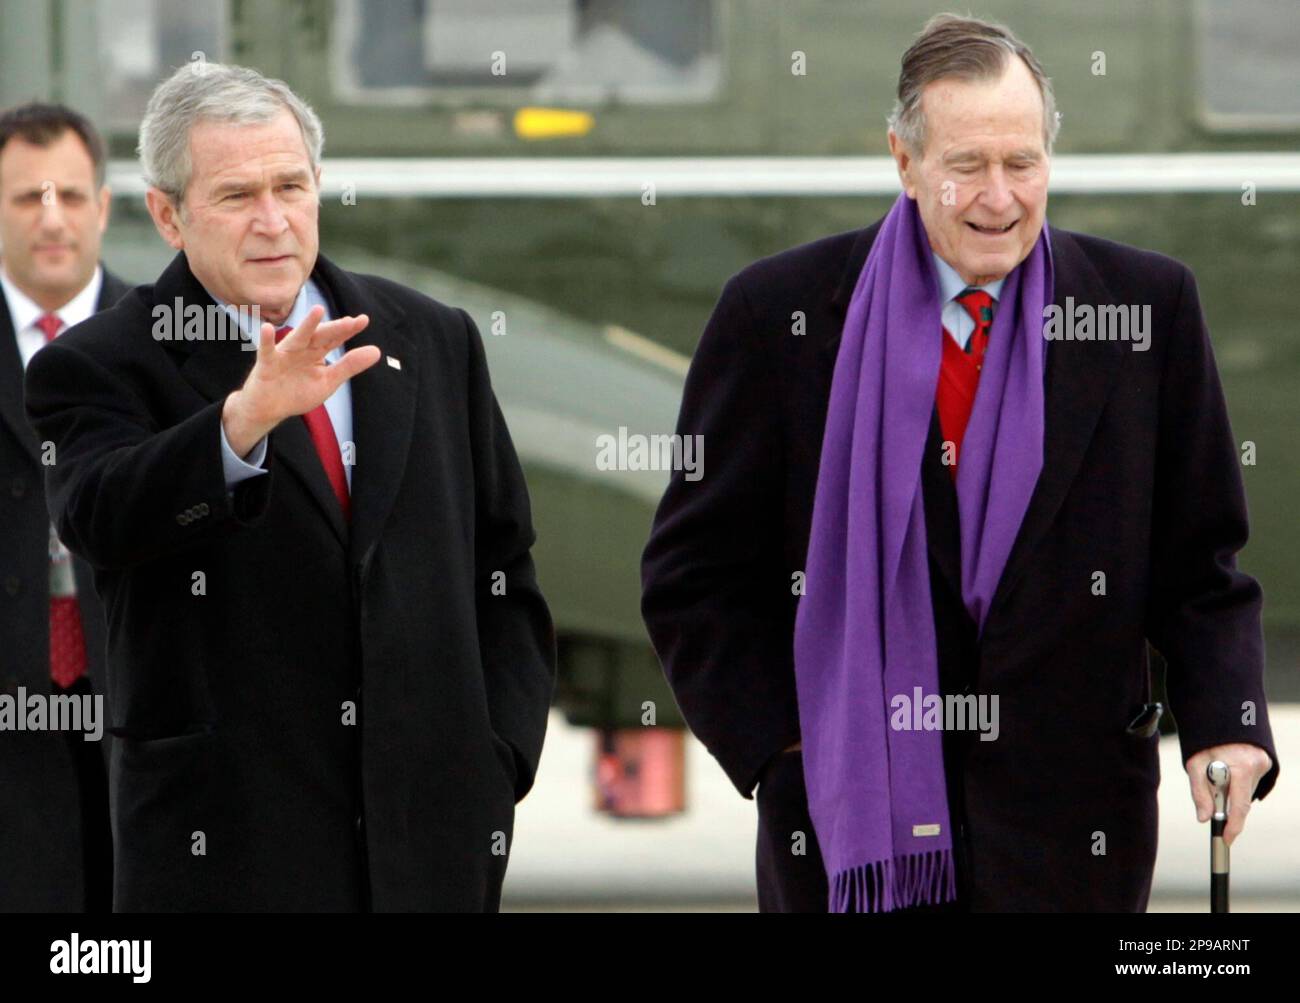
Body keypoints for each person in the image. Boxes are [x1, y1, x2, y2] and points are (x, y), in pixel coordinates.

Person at [640, 13, 1279, 912]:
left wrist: (1227, 723)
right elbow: (692, 575)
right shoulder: (776, 316)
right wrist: (786, 750)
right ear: (903, 160)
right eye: (967, 165)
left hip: (1074, 837)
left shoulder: (1147, 309)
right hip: (848, 841)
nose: (1000, 197)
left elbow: (1200, 563)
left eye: (1023, 163)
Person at [25, 62, 555, 911]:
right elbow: (99, 517)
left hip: (431, 850)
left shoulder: (432, 335)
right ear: (167, 214)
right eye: (236, 196)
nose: (272, 221)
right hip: (226, 853)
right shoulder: (96, 363)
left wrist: (495, 761)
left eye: (291, 186)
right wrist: (238, 427)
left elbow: (506, 568)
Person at [0, 102, 128, 912]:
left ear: (105, 206)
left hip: (136, 713)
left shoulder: (167, 343)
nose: (53, 219)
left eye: (72, 196)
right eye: (25, 197)